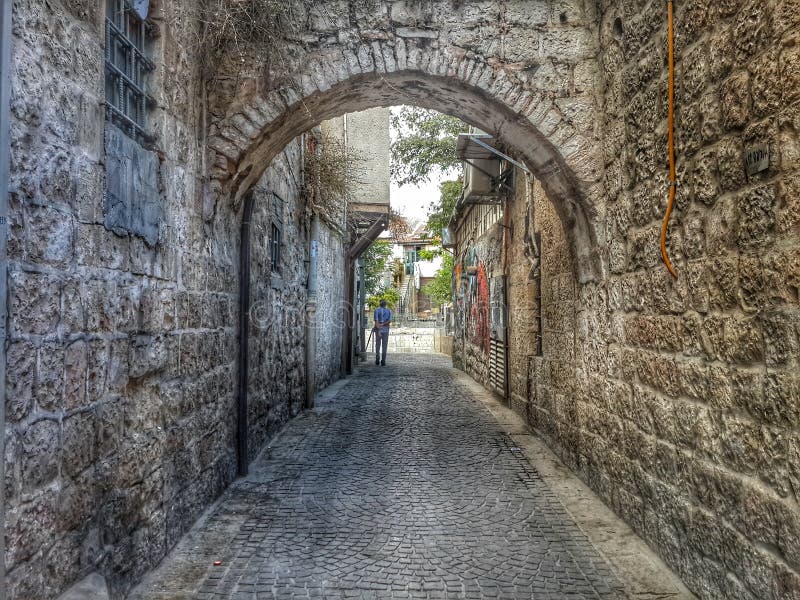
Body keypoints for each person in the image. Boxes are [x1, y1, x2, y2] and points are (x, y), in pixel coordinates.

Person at [373, 299, 392, 366]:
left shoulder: (376, 310)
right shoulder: (389, 311)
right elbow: (389, 320)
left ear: (379, 303)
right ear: (385, 304)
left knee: (377, 346)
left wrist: (379, 330)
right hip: (386, 330)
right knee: (384, 346)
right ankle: (383, 361)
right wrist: (383, 324)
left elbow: (376, 321)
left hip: (378, 330)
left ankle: (377, 360)